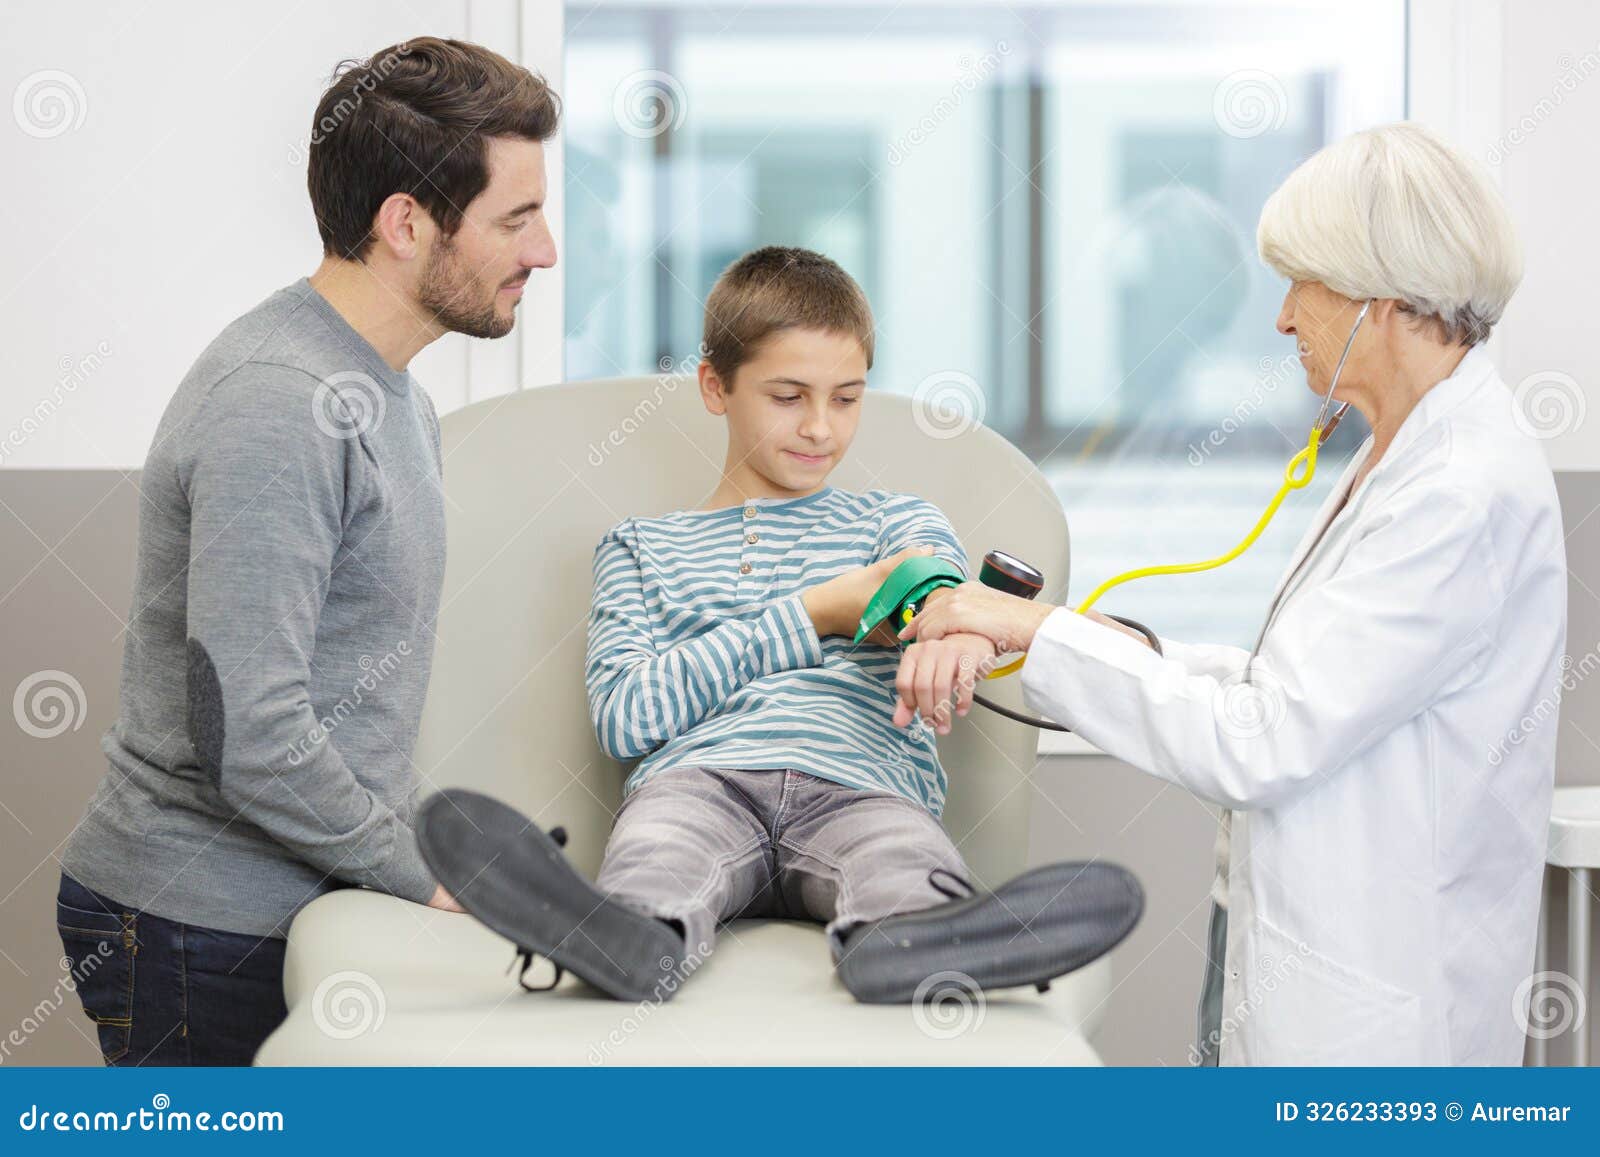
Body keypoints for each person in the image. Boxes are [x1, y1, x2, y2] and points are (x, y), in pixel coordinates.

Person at [897, 122, 1566, 1065]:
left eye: (1304, 284)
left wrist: (1036, 628)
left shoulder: (1459, 492)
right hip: (1290, 931)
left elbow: (1265, 738)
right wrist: (1122, 649)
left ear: (1381, 297)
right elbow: (1302, 687)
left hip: (1375, 999)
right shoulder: (1402, 456)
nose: (1285, 317)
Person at [419, 247, 1142, 1004]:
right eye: (789, 396)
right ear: (715, 386)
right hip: (700, 782)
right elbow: (626, 718)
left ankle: (925, 939)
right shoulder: (642, 547)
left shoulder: (892, 520)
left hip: (865, 785)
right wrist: (815, 610)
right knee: (660, 856)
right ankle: (626, 935)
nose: (822, 428)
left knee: (900, 863)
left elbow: (934, 588)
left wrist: (958, 632)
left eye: (847, 397)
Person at [56, 37, 559, 1066]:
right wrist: (429, 875)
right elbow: (253, 730)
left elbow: (341, 707)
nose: (544, 249)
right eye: (516, 218)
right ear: (407, 222)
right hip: (193, 928)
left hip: (281, 914)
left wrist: (454, 853)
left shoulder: (393, 396)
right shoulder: (281, 403)